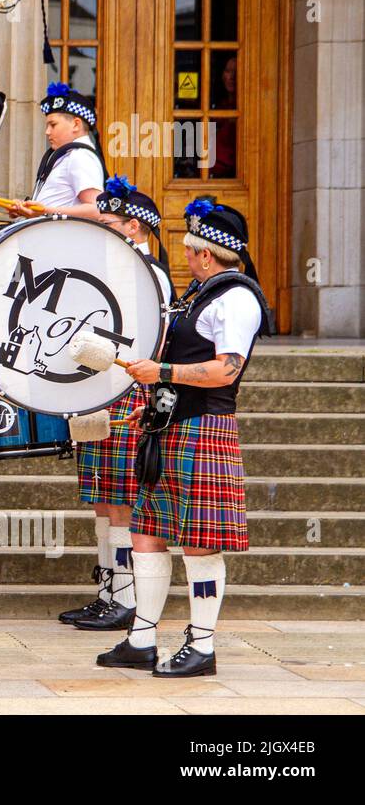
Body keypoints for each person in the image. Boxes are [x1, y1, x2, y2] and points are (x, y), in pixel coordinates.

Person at [96, 200, 272, 677]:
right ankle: (142, 638)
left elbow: (226, 370)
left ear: (207, 255)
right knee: (146, 533)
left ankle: (202, 646)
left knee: (199, 543)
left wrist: (164, 371)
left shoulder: (236, 299)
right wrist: (151, 404)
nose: (187, 259)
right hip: (168, 427)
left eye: (191, 252)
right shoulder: (201, 294)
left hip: (205, 429)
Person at [61, 177, 175, 631]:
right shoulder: (112, 270)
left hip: (128, 389)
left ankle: (126, 598)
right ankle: (109, 589)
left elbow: (148, 342)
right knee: (101, 497)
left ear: (133, 227)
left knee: (122, 499)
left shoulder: (151, 277)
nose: (100, 230)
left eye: (107, 223)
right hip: (98, 386)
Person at [9, 82, 107, 221]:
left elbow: (96, 209)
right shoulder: (68, 155)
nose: (47, 132)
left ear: (76, 124)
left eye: (53, 125)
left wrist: (45, 211)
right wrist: (27, 210)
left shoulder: (80, 156)